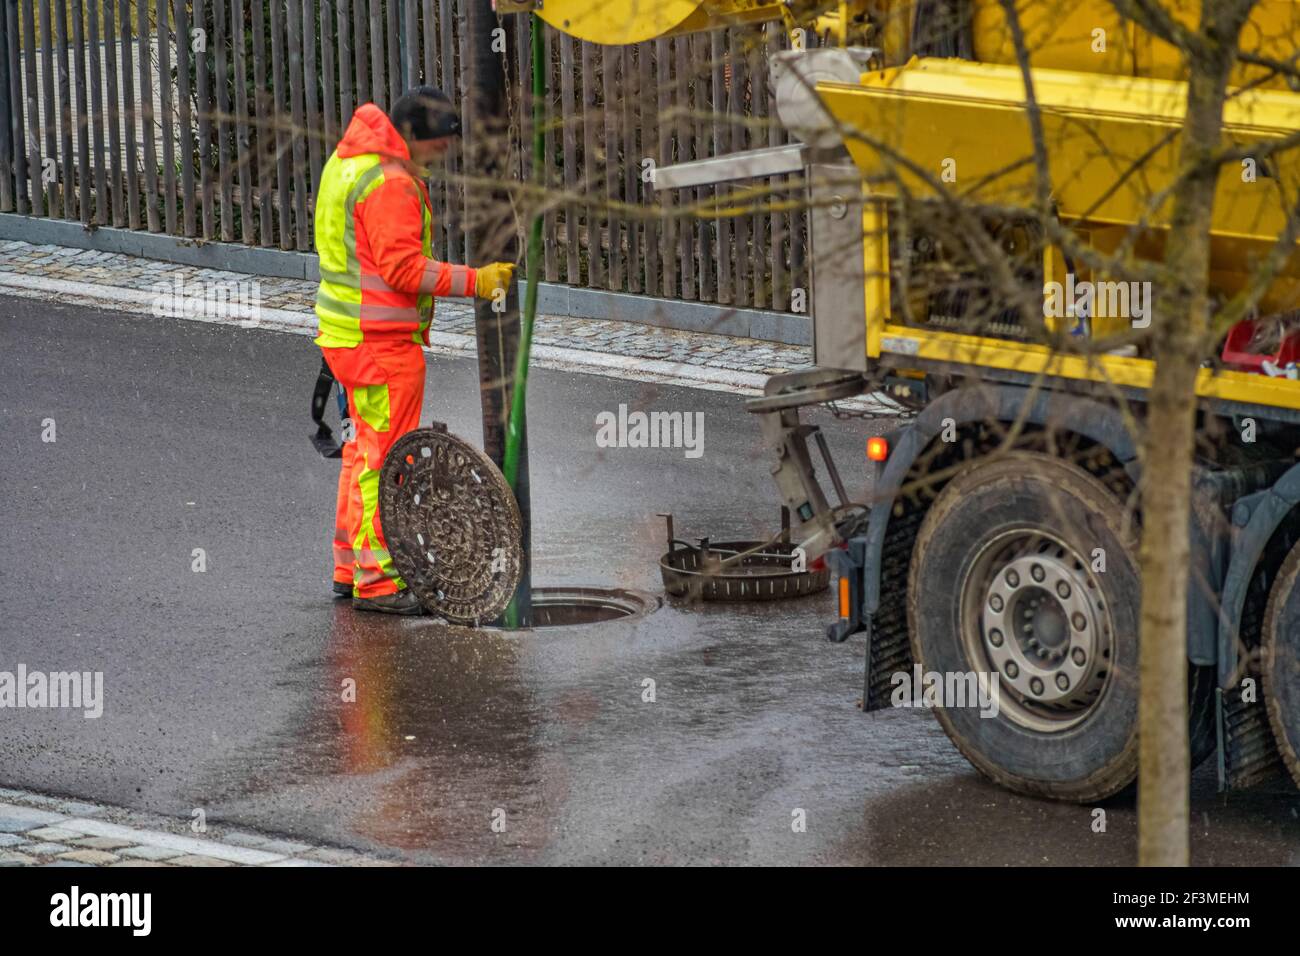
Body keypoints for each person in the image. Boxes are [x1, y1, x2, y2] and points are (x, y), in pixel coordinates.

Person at [314, 87, 514, 614]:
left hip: (346, 336)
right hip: (380, 344)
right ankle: (379, 582)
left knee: (360, 451)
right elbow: (404, 271)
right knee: (383, 459)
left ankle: (349, 567)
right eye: (443, 145)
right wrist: (479, 280)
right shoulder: (389, 183)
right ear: (417, 138)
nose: (446, 156)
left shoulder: (348, 161)